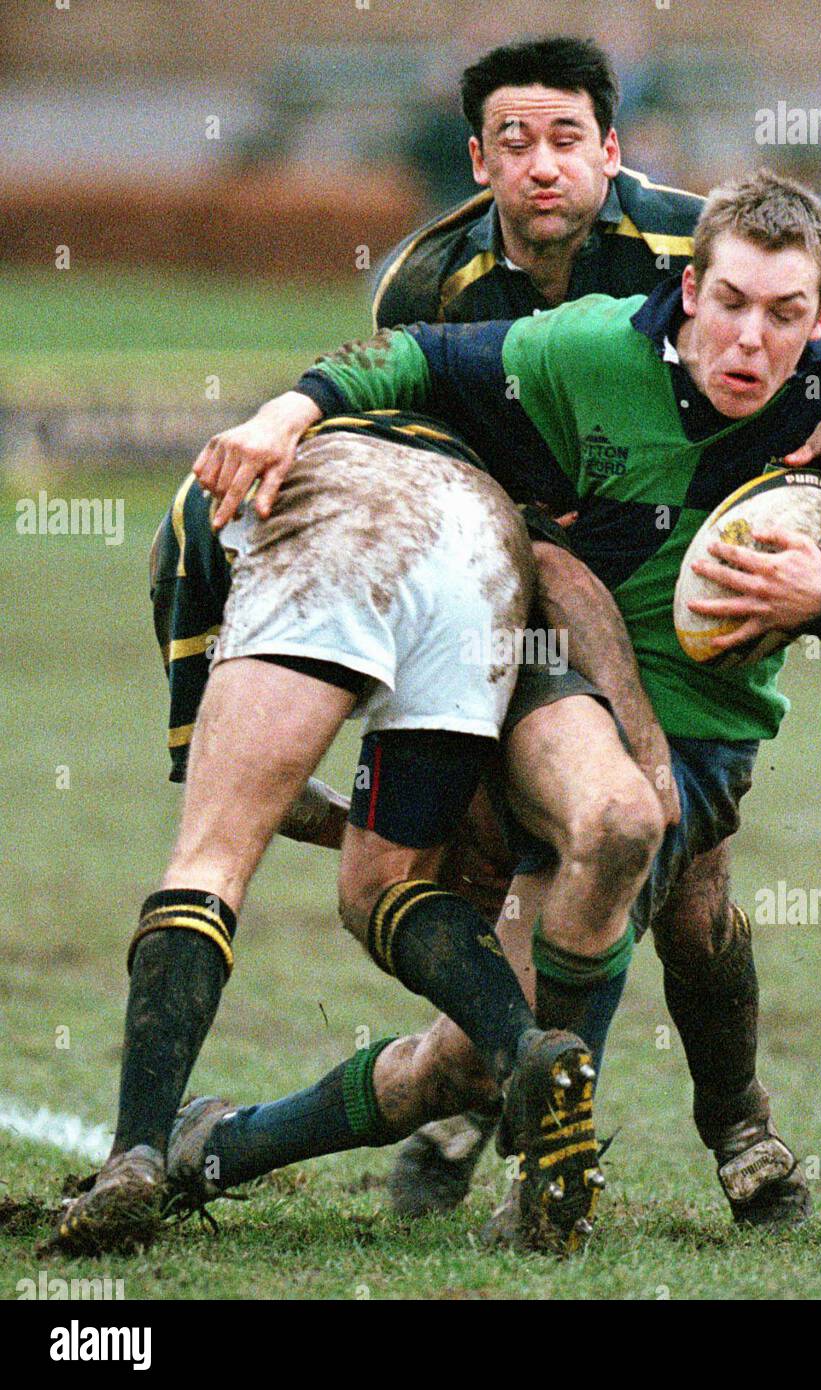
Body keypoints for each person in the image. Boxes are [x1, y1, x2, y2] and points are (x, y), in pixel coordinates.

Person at [195, 35, 821, 1223]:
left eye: (783, 313)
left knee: (677, 906)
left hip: (683, 680)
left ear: (610, 151)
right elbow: (404, 389)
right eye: (513, 141)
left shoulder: (733, 275)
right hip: (513, 646)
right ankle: (534, 1124)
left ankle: (650, 1118)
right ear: (477, 160)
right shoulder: (474, 303)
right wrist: (294, 415)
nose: (752, 334)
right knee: (604, 851)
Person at [53, 424, 617, 1258]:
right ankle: (526, 1051)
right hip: (480, 536)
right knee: (384, 883)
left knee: (211, 857)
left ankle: (133, 1156)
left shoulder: (199, 515)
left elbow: (259, 793)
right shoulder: (430, 419)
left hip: (335, 519)